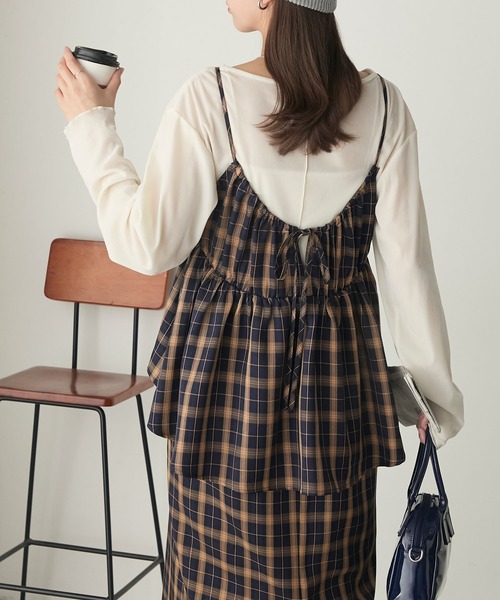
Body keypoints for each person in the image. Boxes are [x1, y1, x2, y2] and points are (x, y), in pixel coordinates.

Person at [55, 0, 464, 598]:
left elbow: (147, 245)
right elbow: (410, 270)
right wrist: (432, 400)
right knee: (331, 576)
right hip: (336, 400)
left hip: (222, 396)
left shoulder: (211, 99)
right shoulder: (384, 109)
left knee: (212, 580)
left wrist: (93, 124)